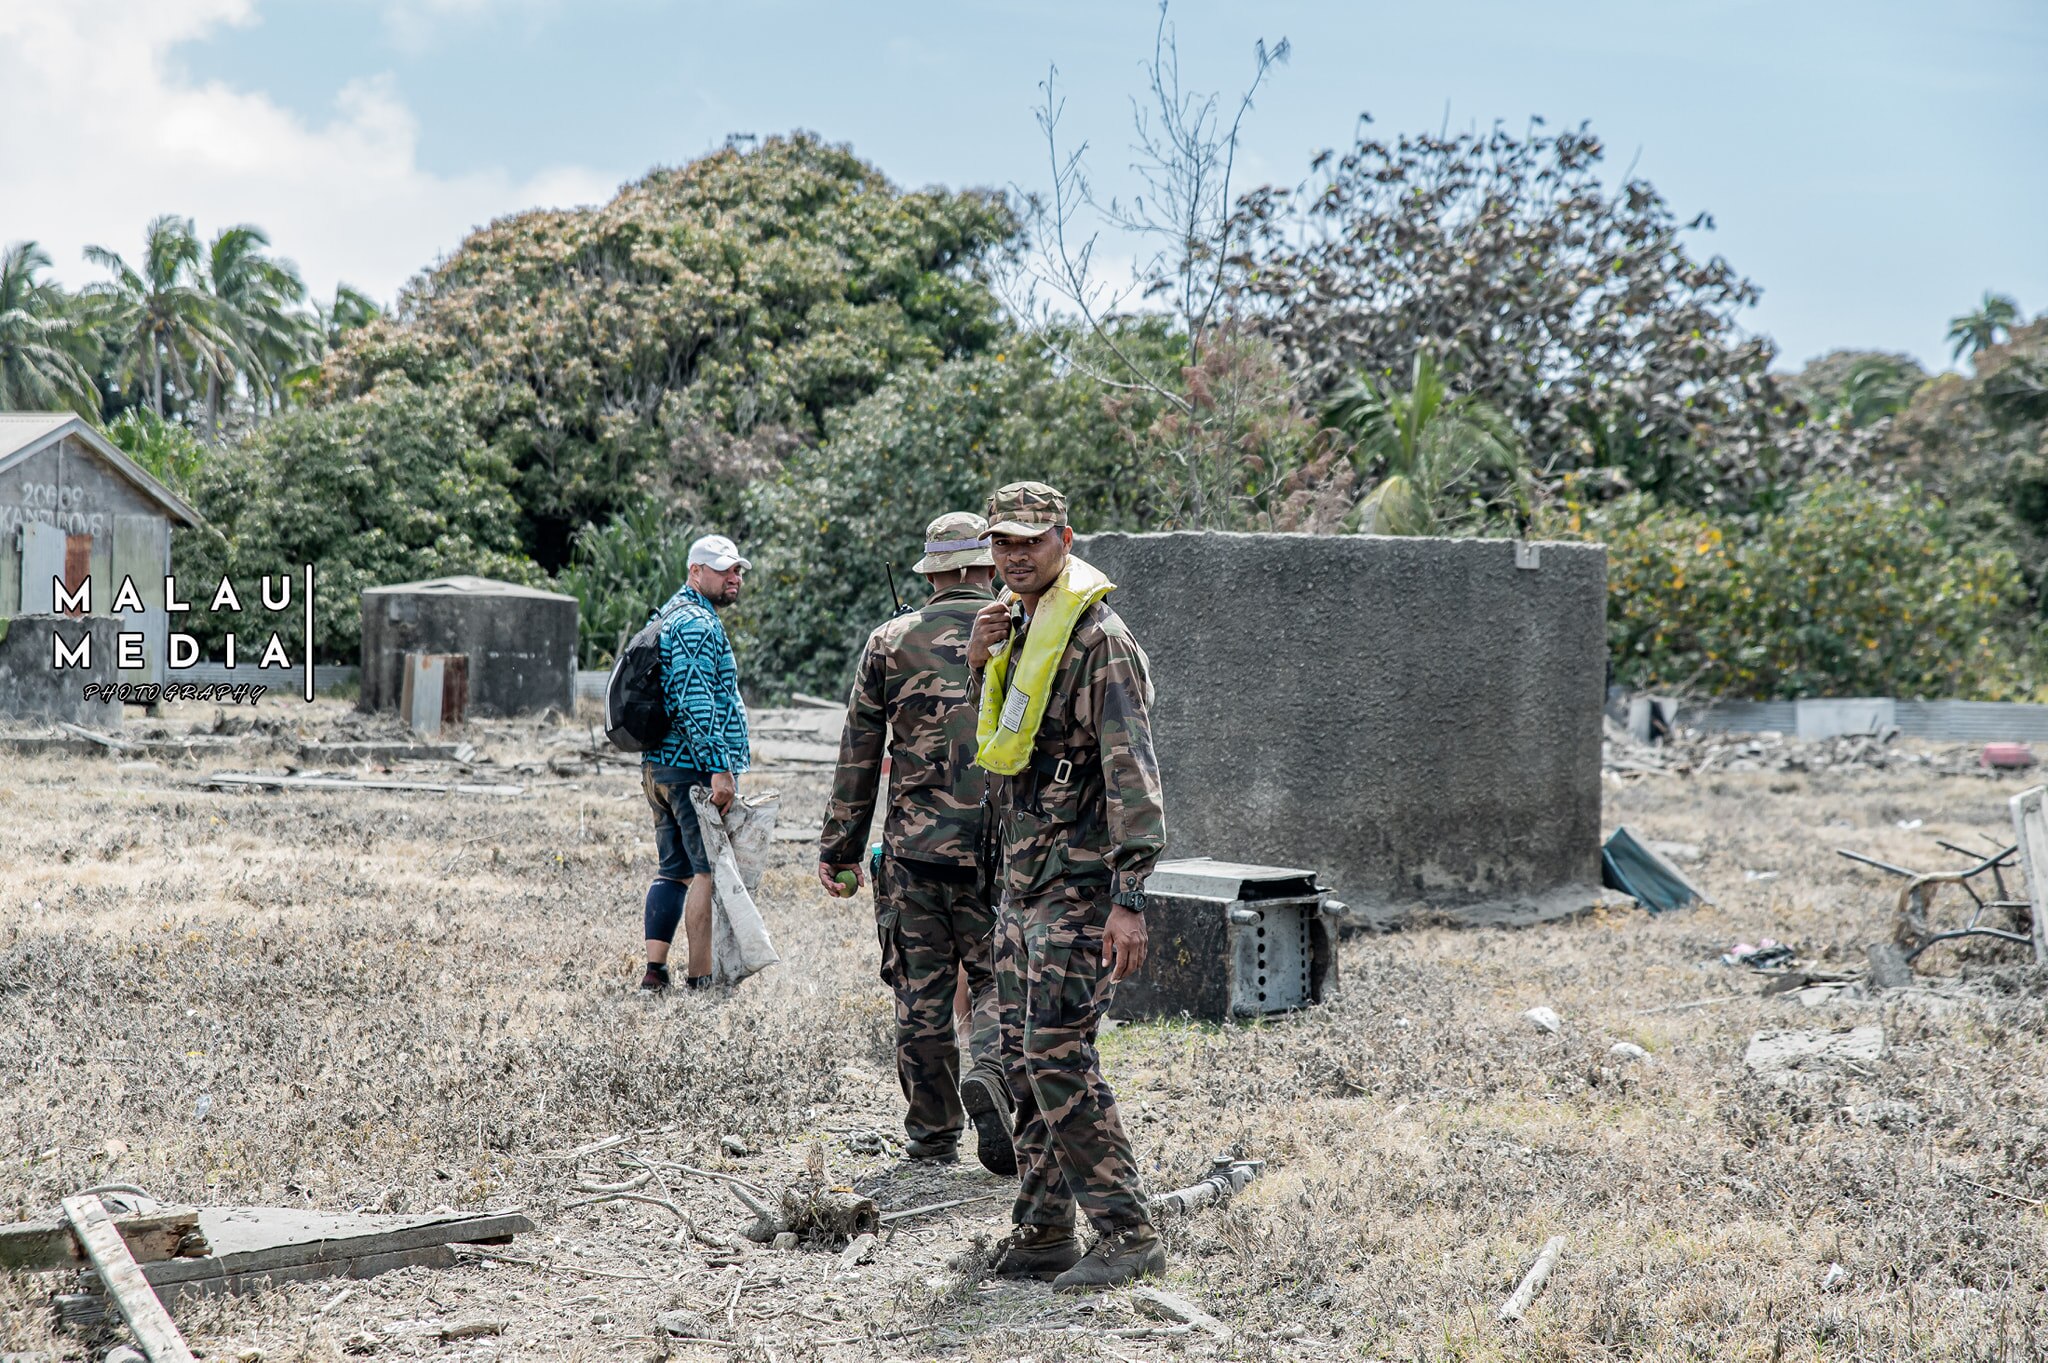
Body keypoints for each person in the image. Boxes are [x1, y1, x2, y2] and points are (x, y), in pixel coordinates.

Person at [966, 481, 1168, 1292]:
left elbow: (1135, 776)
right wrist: (978, 661)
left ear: (1065, 538)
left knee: (1057, 1053)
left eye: (1032, 540)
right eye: (1003, 542)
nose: (1016, 555)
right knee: (1020, 1055)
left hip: (1082, 888)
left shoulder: (1099, 639)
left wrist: (1131, 897)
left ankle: (1128, 1230)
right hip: (1027, 883)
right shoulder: (1017, 626)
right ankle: (1045, 1228)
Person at [817, 512, 1015, 1173]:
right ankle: (990, 1066)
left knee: (920, 989)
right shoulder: (1022, 632)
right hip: (1002, 847)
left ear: (931, 572)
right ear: (986, 566)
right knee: (999, 979)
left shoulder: (889, 641)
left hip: (913, 848)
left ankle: (933, 1137)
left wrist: (841, 849)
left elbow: (859, 754)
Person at [639, 533, 752, 994]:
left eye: (738, 570)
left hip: (660, 767)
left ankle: (654, 972)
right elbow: (694, 702)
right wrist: (718, 767)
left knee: (674, 870)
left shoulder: (669, 615)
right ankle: (700, 979)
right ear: (695, 572)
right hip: (690, 770)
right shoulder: (695, 624)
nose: (735, 577)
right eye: (724, 569)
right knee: (704, 869)